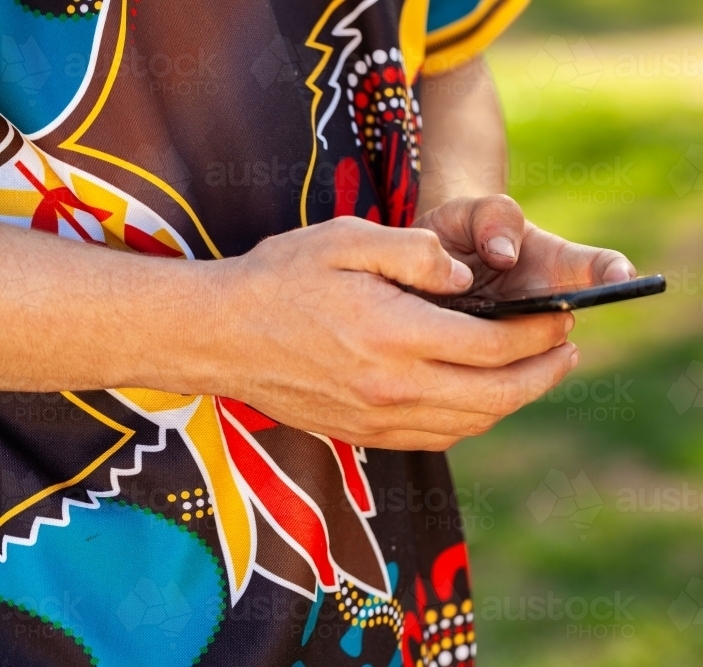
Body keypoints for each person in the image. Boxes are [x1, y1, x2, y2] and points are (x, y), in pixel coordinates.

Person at [0, 0, 635, 664]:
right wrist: (226, 328)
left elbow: (449, 61)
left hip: (373, 589)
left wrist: (447, 237)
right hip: (56, 593)